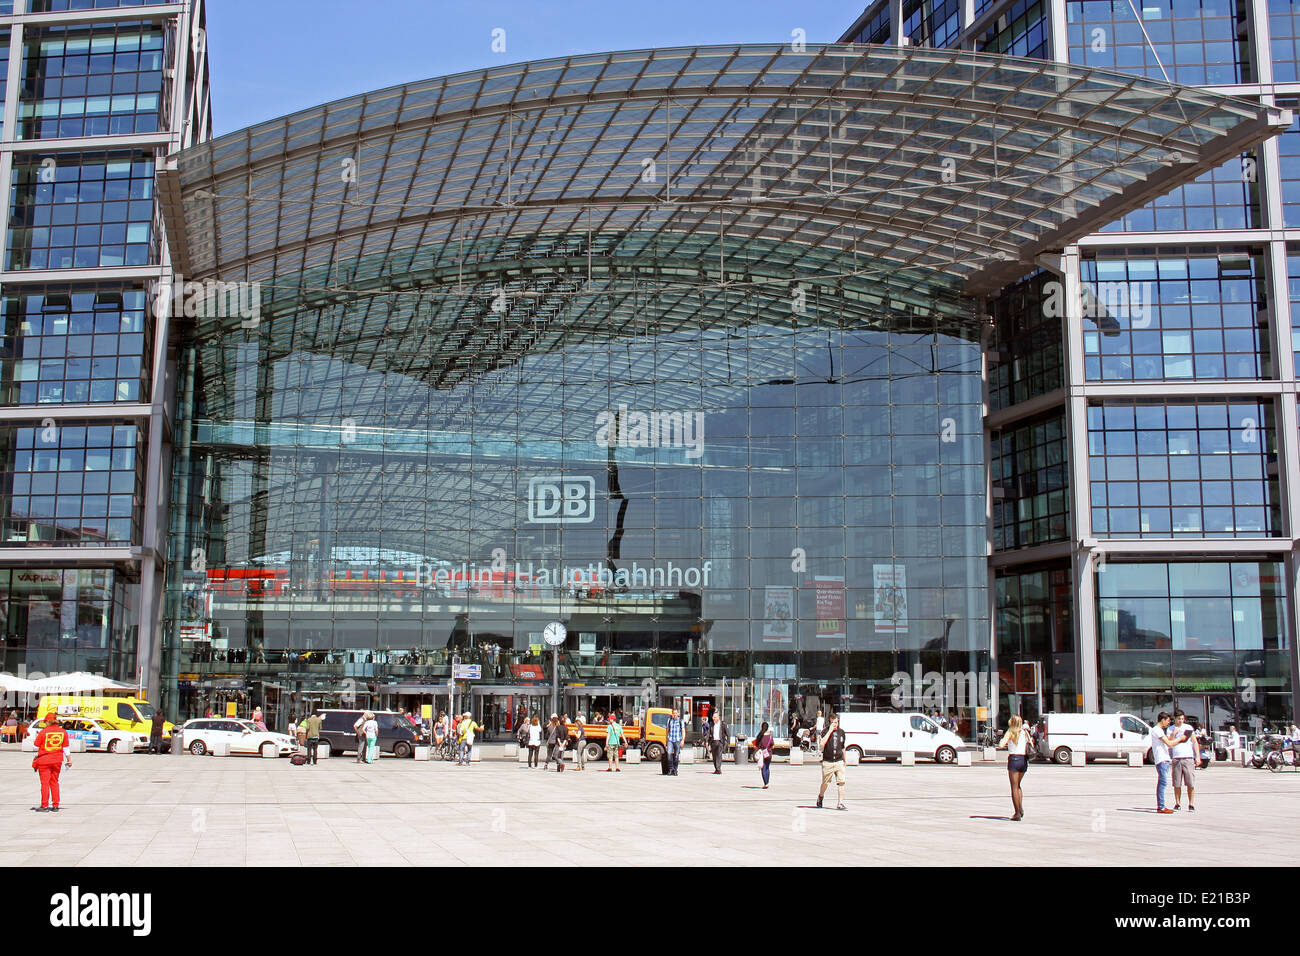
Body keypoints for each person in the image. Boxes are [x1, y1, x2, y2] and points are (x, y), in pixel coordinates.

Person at [31, 713, 72, 812]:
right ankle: (55, 805)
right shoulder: (63, 732)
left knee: (45, 783)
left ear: (47, 721)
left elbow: (35, 747)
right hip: (57, 760)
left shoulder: (43, 732)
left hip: (44, 760)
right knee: (54, 782)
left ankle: (44, 805)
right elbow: (66, 748)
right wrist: (69, 759)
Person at [998, 714, 1030, 820]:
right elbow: (1031, 745)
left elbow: (1001, 745)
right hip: (1024, 760)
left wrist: (1005, 742)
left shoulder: (1010, 731)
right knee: (1018, 786)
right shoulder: (1025, 732)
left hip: (1014, 759)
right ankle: (1020, 808)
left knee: (1014, 787)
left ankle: (1017, 813)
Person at [1148, 712, 1179, 814]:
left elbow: (1168, 740)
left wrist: (1173, 734)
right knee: (1163, 783)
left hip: (1163, 759)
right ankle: (1161, 806)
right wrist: (1181, 739)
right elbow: (1169, 743)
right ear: (1163, 720)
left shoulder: (1159, 730)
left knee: (1163, 782)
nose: (1168, 723)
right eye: (1168, 721)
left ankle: (1161, 806)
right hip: (1161, 759)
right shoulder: (1157, 730)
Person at [816, 713, 847, 810]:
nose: (835, 724)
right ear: (829, 722)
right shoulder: (825, 731)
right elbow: (821, 744)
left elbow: (843, 747)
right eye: (833, 722)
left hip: (838, 761)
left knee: (841, 782)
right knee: (825, 783)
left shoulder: (841, 732)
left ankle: (840, 803)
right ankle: (820, 796)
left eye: (837, 722)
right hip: (828, 761)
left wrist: (845, 760)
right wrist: (829, 731)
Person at [1170, 710, 1198, 810]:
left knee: (1190, 782)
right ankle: (1177, 803)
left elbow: (1194, 742)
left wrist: (1197, 756)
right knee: (1177, 783)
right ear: (1175, 719)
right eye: (1178, 719)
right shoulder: (1171, 728)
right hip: (1176, 758)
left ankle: (1191, 803)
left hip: (1188, 757)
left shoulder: (1188, 728)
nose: (1181, 721)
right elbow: (1169, 742)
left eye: (1182, 719)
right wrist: (1174, 733)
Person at [753, 720, 774, 789]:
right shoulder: (770, 736)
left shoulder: (760, 735)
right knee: (767, 767)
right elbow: (772, 745)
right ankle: (767, 782)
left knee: (763, 767)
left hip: (762, 753)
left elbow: (757, 746)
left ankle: (765, 783)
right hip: (768, 753)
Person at [708, 710, 730, 774]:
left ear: (718, 717)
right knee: (714, 756)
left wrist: (728, 742)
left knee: (719, 755)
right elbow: (709, 732)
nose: (713, 718)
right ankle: (716, 768)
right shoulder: (711, 724)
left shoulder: (723, 724)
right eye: (713, 717)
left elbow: (728, 733)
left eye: (715, 717)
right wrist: (706, 741)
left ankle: (718, 768)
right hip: (713, 742)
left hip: (720, 742)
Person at [666, 707, 685, 776]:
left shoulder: (680, 721)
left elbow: (683, 731)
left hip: (677, 740)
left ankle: (675, 769)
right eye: (673, 713)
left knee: (676, 756)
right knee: (669, 753)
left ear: (678, 714)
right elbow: (667, 730)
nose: (674, 715)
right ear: (672, 714)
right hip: (670, 739)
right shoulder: (669, 720)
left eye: (676, 713)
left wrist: (682, 740)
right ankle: (670, 769)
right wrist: (666, 740)